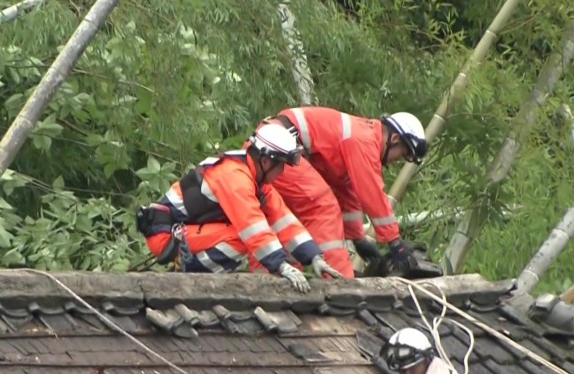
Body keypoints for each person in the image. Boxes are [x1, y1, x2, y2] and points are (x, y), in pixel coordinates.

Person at [135, 124, 345, 292]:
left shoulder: (256, 181)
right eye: (281, 164)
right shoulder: (235, 177)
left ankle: (199, 271)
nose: (282, 171)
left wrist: (314, 257)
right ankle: (193, 276)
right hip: (168, 237)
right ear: (264, 160)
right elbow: (253, 228)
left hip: (184, 230)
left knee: (246, 236)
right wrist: (281, 265)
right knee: (241, 237)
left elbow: (284, 220)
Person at [248, 106, 430, 278]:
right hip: (277, 149)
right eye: (400, 154)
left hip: (271, 147)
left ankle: (269, 274)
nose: (393, 161)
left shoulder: (359, 136)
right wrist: (395, 243)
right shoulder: (365, 141)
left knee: (288, 217)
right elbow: (372, 194)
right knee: (323, 206)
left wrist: (358, 238)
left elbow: (347, 191)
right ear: (395, 139)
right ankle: (339, 280)